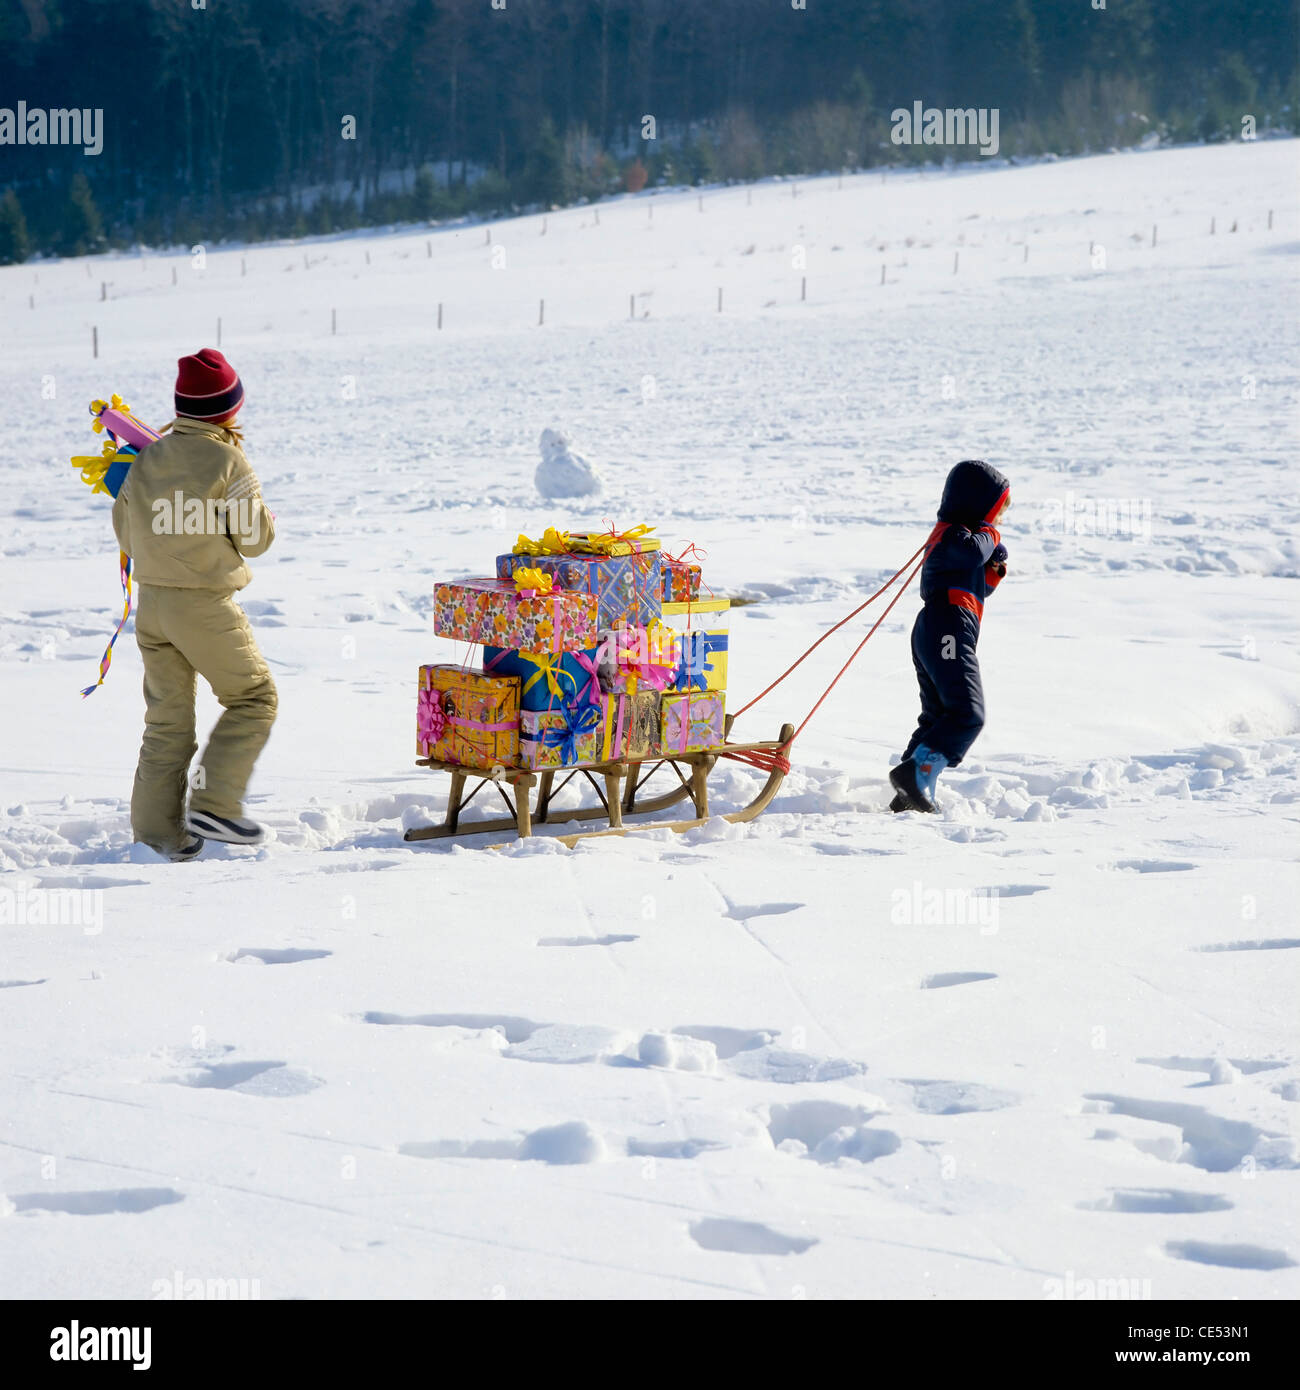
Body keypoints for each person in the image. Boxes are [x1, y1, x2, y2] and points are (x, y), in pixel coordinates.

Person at [111, 349, 277, 858]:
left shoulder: (146, 458)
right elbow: (255, 539)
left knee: (166, 724)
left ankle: (156, 838)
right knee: (254, 698)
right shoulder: (228, 459)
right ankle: (215, 804)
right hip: (203, 606)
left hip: (153, 607)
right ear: (229, 408)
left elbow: (124, 530)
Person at [890, 459, 1010, 813]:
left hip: (945, 624)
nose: (998, 520)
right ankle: (915, 774)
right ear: (977, 504)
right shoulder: (955, 533)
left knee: (937, 717)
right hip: (947, 624)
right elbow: (971, 551)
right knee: (967, 714)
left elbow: (978, 585)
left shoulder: (961, 538)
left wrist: (995, 570)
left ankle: (909, 793)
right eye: (996, 511)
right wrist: (991, 536)